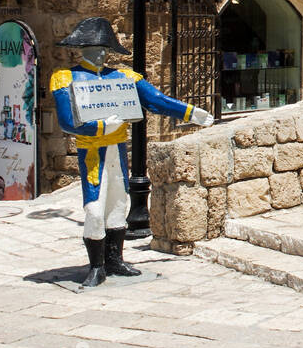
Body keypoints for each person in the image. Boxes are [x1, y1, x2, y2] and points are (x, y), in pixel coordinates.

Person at [51, 17, 213, 288]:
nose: (100, 53)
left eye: (104, 47)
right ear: (81, 48)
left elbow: (155, 100)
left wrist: (190, 112)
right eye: (93, 47)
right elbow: (69, 121)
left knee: (117, 206)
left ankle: (114, 260)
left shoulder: (123, 77)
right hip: (92, 152)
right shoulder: (66, 77)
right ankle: (96, 265)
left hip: (116, 150)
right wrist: (103, 125)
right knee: (94, 209)